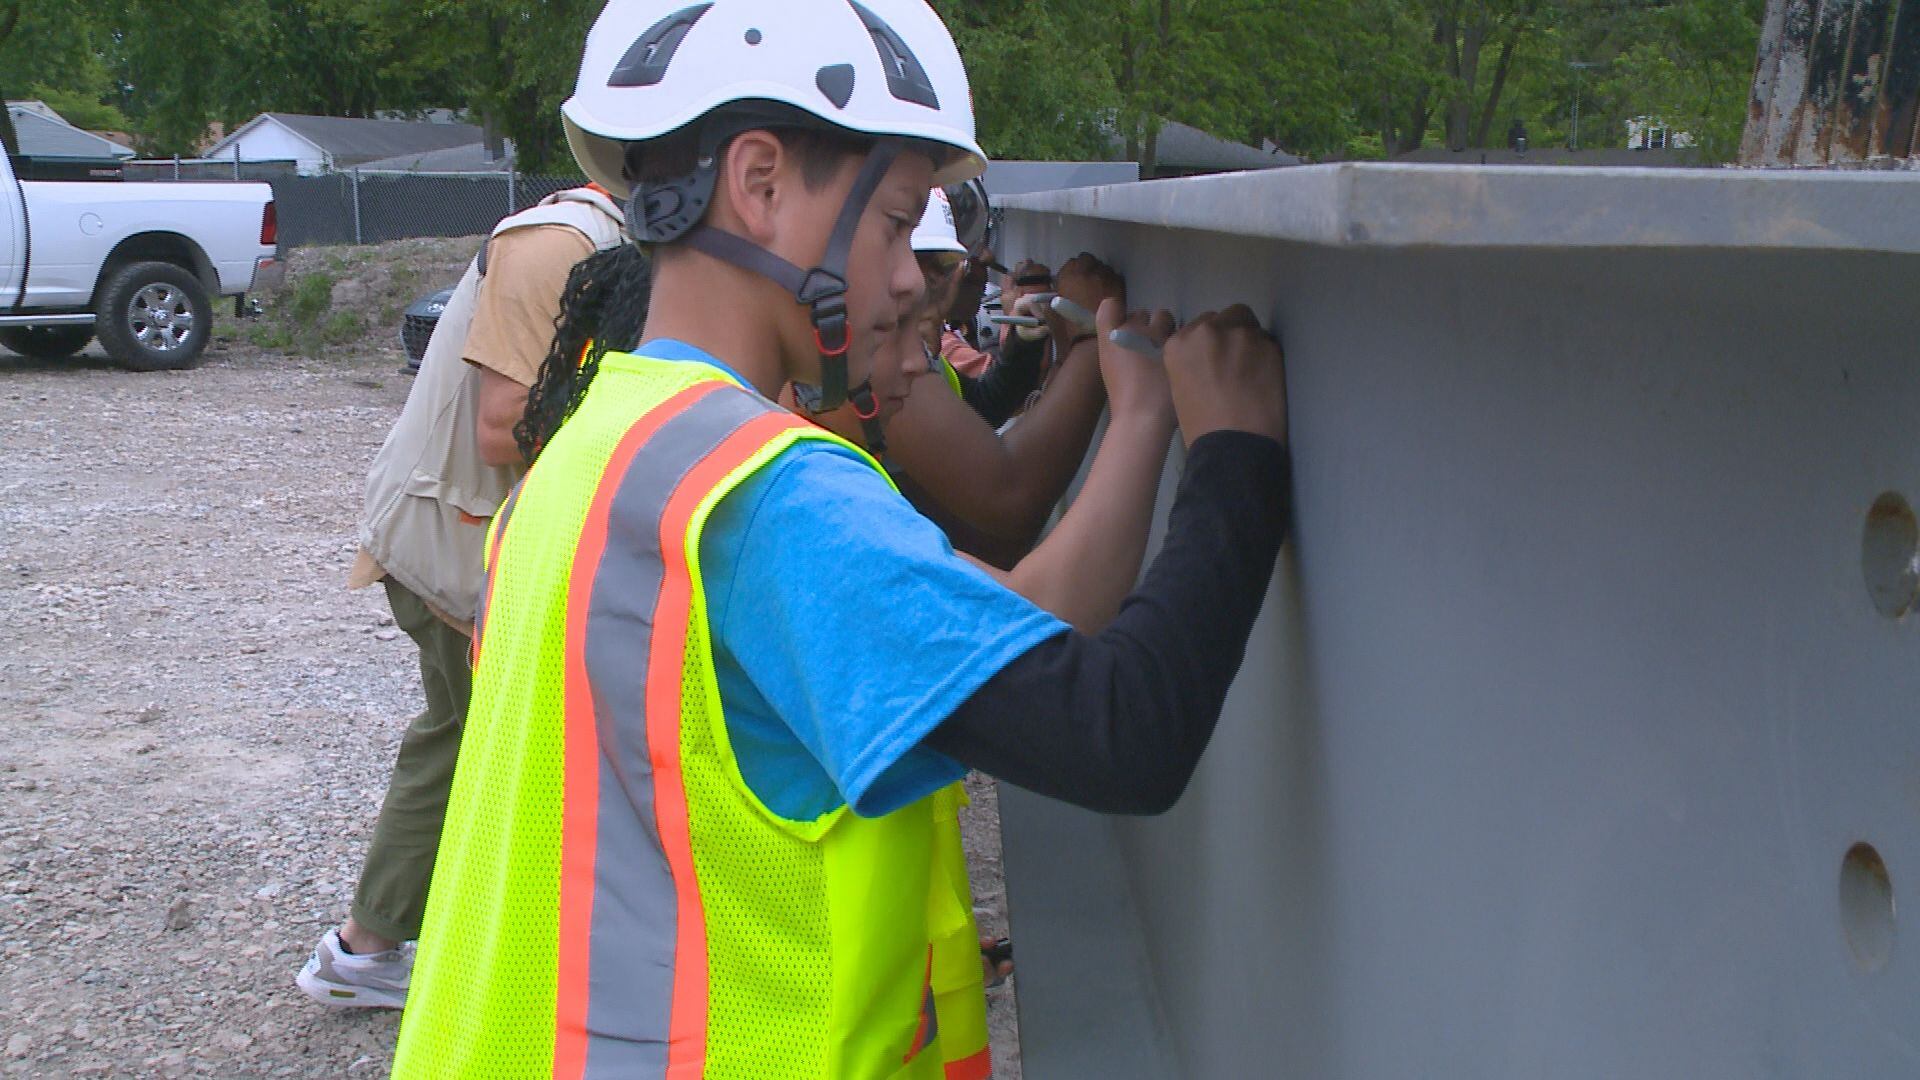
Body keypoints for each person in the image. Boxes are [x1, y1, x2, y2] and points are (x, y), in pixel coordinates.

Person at [392, 4, 1290, 1079]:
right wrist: (1235, 452)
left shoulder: (589, 453)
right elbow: (1122, 731)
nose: (913, 276)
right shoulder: (768, 497)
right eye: (895, 221)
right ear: (760, 184)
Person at [294, 185, 627, 1010]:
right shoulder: (559, 242)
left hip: (475, 535)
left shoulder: (611, 234)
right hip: (455, 542)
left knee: (467, 739)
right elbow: (501, 424)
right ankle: (370, 953)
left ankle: (375, 949)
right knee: (480, 742)